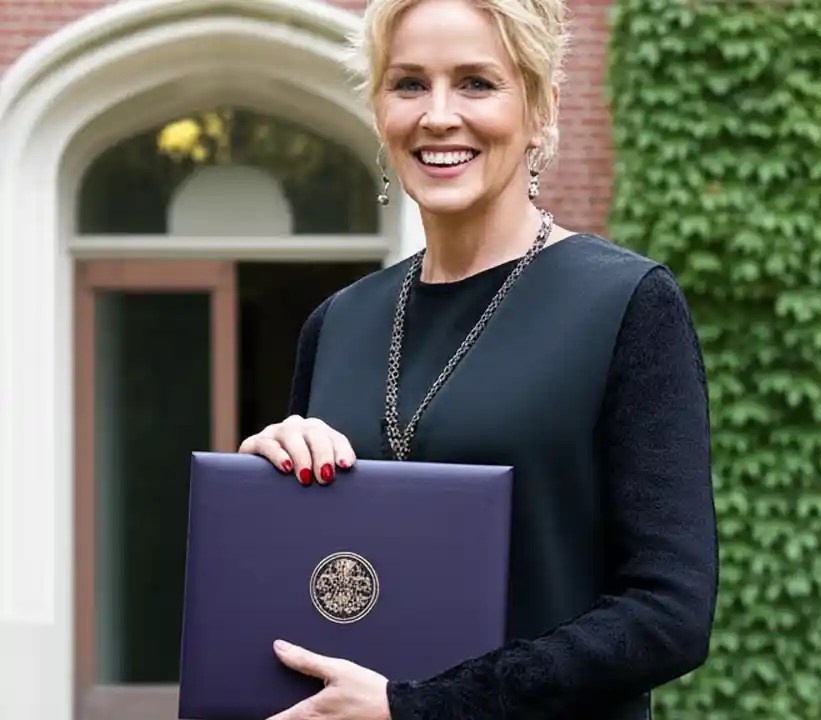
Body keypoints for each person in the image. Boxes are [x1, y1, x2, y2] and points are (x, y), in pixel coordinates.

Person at [236, 0, 719, 718]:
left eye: (475, 83)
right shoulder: (338, 323)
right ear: (378, 109)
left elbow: (669, 615)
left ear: (542, 108)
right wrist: (264, 488)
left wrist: (420, 707)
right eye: (408, 84)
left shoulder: (625, 303)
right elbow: (324, 581)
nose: (437, 115)